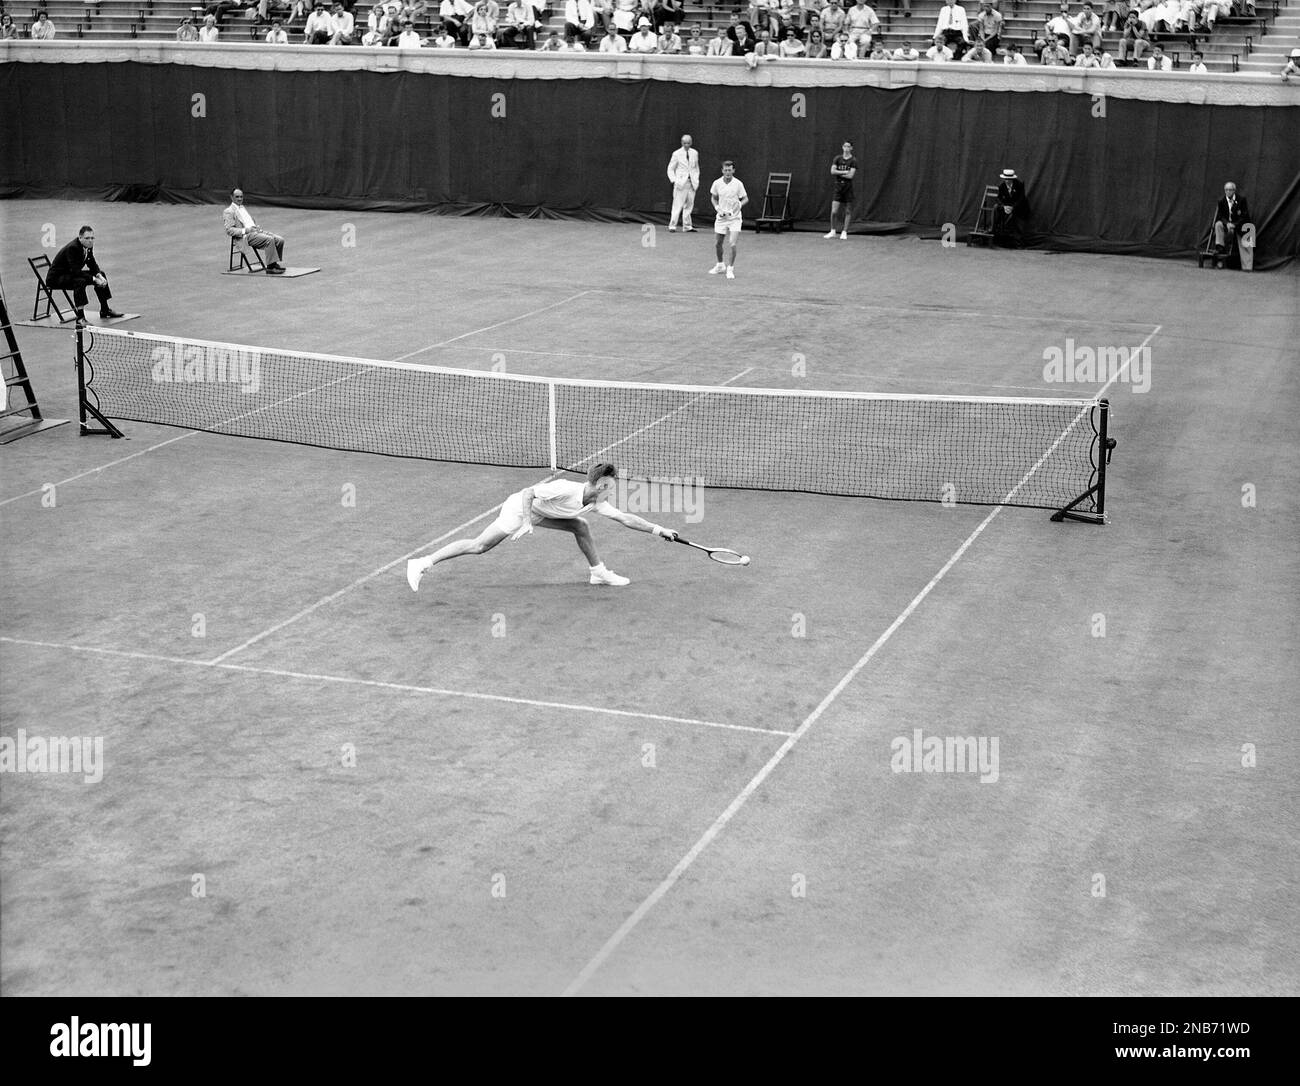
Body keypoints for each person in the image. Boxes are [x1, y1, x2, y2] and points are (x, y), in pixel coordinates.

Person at [406, 463, 677, 591]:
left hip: (538, 514)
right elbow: (527, 493)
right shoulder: (564, 489)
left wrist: (659, 529)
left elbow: (625, 518)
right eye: (607, 486)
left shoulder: (595, 502)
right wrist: (525, 521)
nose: (611, 490)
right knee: (480, 546)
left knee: (580, 525)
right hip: (520, 510)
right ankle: (422, 563)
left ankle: (599, 573)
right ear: (595, 484)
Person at [47, 226, 123, 324]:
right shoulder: (73, 248)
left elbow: (91, 262)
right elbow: (76, 271)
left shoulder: (88, 246)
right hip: (57, 278)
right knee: (80, 281)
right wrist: (94, 279)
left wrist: (99, 275)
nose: (90, 241)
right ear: (80, 238)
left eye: (92, 238)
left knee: (102, 273)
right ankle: (80, 318)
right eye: (87, 238)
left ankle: (105, 309)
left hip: (70, 274)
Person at [223, 189, 287, 274]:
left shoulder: (242, 208)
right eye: (237, 197)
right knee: (269, 239)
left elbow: (248, 221)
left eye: (241, 197)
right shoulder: (228, 211)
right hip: (245, 236)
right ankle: (270, 268)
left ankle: (273, 264)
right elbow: (229, 230)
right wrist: (247, 230)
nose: (239, 199)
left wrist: (255, 227)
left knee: (280, 240)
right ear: (231, 197)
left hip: (256, 231)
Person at [708, 161, 748, 280]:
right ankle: (720, 265)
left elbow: (745, 198)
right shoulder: (717, 183)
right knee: (718, 243)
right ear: (722, 171)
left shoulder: (738, 184)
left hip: (735, 218)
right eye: (725, 170)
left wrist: (739, 205)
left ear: (733, 171)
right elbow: (713, 198)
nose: (727, 173)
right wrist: (717, 208)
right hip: (721, 218)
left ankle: (730, 268)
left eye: (730, 170)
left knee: (732, 243)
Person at [1212, 181, 1252, 267]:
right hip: (1227, 228)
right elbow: (1220, 216)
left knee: (1249, 228)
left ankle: (1247, 268)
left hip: (1241, 226)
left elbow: (1245, 216)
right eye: (1226, 190)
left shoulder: (1241, 200)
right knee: (1218, 224)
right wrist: (1227, 224)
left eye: (1230, 190)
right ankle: (1220, 247)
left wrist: (1234, 224)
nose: (1228, 192)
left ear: (1234, 190)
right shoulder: (1221, 201)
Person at [666, 134, 700, 232]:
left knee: (689, 205)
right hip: (680, 183)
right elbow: (670, 169)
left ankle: (687, 226)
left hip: (691, 183)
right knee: (677, 205)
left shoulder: (694, 153)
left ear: (691, 143)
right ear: (681, 143)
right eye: (685, 143)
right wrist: (674, 180)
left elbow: (696, 168)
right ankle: (672, 225)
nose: (686, 145)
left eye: (688, 143)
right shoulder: (676, 154)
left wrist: (696, 179)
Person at [824, 141, 856, 240]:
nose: (846, 148)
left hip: (848, 188)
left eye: (848, 146)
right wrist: (845, 171)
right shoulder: (837, 158)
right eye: (845, 146)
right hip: (838, 187)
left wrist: (839, 172)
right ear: (842, 147)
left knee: (847, 211)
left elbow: (851, 175)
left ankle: (844, 232)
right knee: (834, 211)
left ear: (851, 148)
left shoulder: (853, 160)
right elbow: (832, 171)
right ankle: (833, 231)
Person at [992, 167, 1027, 245]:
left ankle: (1018, 241)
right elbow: (998, 198)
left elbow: (1021, 199)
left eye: (1009, 179)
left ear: (1012, 179)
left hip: (1018, 208)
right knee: (996, 207)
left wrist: (1013, 207)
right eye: (1006, 179)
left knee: (1018, 217)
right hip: (1006, 207)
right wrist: (1004, 206)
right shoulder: (1001, 186)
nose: (1007, 181)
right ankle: (993, 231)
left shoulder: (1019, 185)